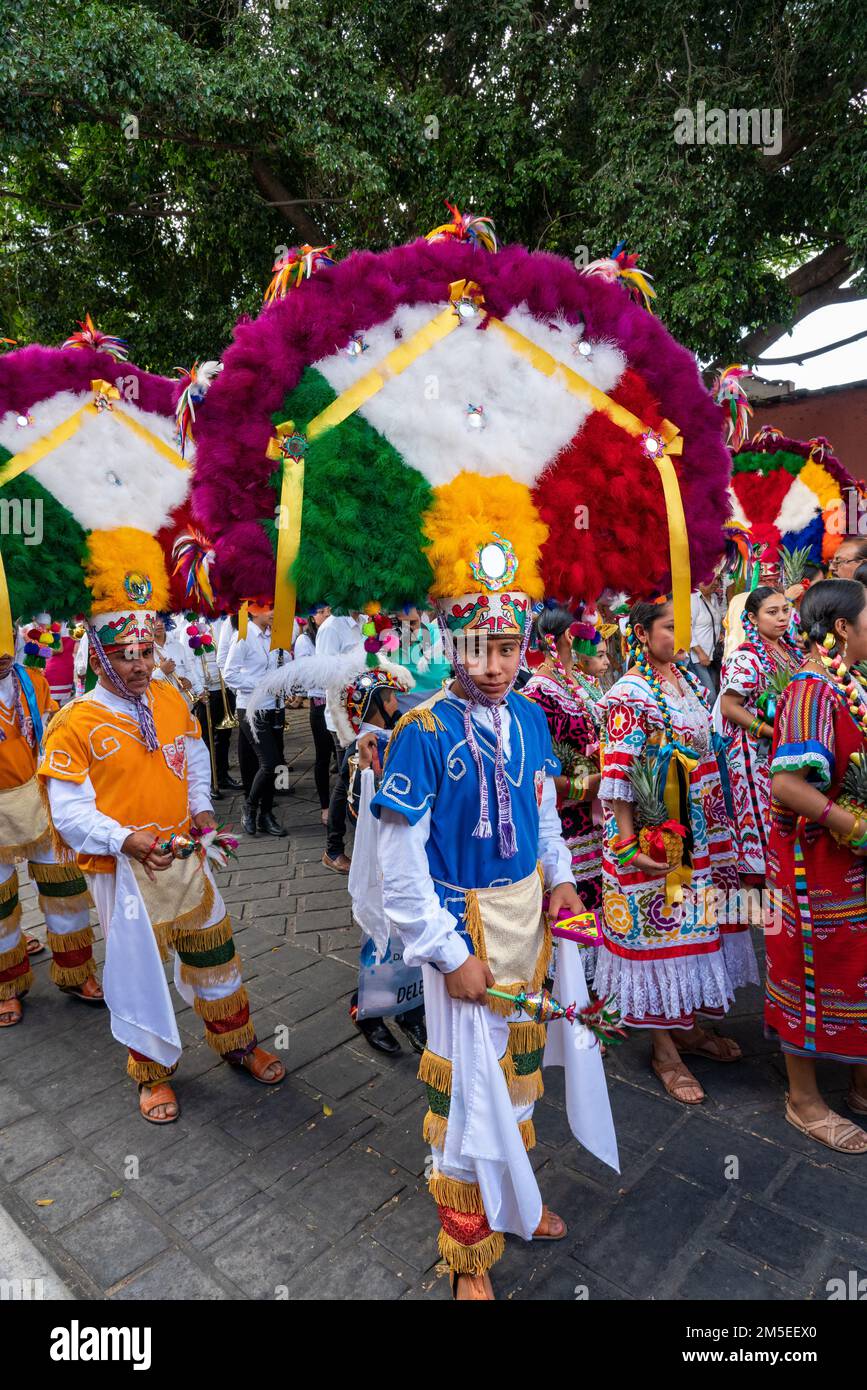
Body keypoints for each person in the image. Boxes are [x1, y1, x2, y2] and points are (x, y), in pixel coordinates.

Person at [370, 517, 617, 1301]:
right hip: (464, 928)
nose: (496, 665)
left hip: (526, 923)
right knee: (463, 1094)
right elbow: (397, 867)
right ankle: (465, 1252)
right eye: (480, 646)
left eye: (508, 647)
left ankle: (512, 1196)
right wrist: (447, 955)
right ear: (453, 645)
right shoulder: (421, 730)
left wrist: (564, 880)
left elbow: (543, 815)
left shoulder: (532, 717)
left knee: (514, 1076)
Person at [39, 588, 285, 1122]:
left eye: (146, 651)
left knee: (215, 957)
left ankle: (237, 1041)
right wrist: (124, 839)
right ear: (100, 657)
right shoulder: (74, 723)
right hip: (124, 869)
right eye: (126, 654)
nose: (140, 664)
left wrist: (200, 809)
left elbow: (193, 755)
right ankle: (151, 1074)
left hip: (183, 857)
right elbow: (69, 813)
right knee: (138, 974)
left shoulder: (170, 697)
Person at [596, 598, 754, 1107]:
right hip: (653, 837)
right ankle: (664, 1049)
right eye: (669, 628)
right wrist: (628, 847)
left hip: (698, 831)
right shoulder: (630, 694)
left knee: (696, 926)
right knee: (656, 934)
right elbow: (618, 775)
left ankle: (687, 1027)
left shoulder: (683, 679)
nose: (678, 636)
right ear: (641, 634)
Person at [766, 579, 867, 1154]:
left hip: (846, 863)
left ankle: (859, 1081)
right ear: (843, 629)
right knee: (809, 969)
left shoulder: (848, 684)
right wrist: (856, 827)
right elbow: (786, 782)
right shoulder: (811, 690)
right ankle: (803, 1098)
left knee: (855, 964)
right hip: (814, 869)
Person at [0, 648, 103, 1024]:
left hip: (38, 800)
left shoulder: (34, 681)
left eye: (6, 639)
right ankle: (5, 985)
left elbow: (48, 740)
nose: (1, 654)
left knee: (67, 889)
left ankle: (76, 971)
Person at [522, 605, 603, 980]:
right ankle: (573, 998)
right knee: (574, 908)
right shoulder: (539, 692)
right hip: (566, 823)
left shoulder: (582, 683)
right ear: (571, 637)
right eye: (589, 634)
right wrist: (580, 787)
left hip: (595, 821)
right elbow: (533, 772)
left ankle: (595, 997)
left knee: (599, 907)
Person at [719, 587, 802, 884]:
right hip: (754, 753)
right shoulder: (746, 658)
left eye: (785, 610)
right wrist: (769, 730)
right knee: (762, 818)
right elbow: (729, 707)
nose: (782, 617)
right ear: (752, 618)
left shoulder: (792, 650)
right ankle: (765, 892)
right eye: (772, 612)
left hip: (783, 749)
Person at [223, 605, 289, 837]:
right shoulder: (243, 635)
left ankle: (266, 814)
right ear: (253, 610)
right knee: (269, 762)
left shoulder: (276, 635)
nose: (272, 611)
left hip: (275, 707)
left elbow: (283, 666)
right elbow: (229, 673)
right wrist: (261, 686)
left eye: (273, 607)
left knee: (278, 762)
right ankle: (250, 806)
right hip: (251, 708)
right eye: (267, 608)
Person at [318, 612, 362, 872]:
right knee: (346, 782)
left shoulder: (365, 621)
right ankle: (333, 850)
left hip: (367, 716)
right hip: (343, 719)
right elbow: (325, 675)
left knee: (359, 782)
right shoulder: (331, 628)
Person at [293, 605, 333, 825]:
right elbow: (307, 677)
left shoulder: (334, 632)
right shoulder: (304, 641)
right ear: (311, 616)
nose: (326, 614)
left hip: (340, 703)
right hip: (319, 704)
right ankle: (325, 806)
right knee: (323, 757)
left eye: (328, 610)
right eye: (320, 611)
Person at [394, 607, 452, 711]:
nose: (406, 629)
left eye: (412, 623)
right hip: (400, 712)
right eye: (400, 624)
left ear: (421, 616)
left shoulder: (438, 634)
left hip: (441, 707)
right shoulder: (381, 642)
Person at [689, 579, 725, 698]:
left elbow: (714, 622)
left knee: (716, 689)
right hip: (698, 657)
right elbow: (687, 629)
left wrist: (719, 633)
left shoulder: (713, 598)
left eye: (718, 579)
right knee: (710, 696)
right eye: (711, 579)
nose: (716, 583)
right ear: (700, 580)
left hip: (712, 655)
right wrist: (700, 653)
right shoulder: (693, 598)